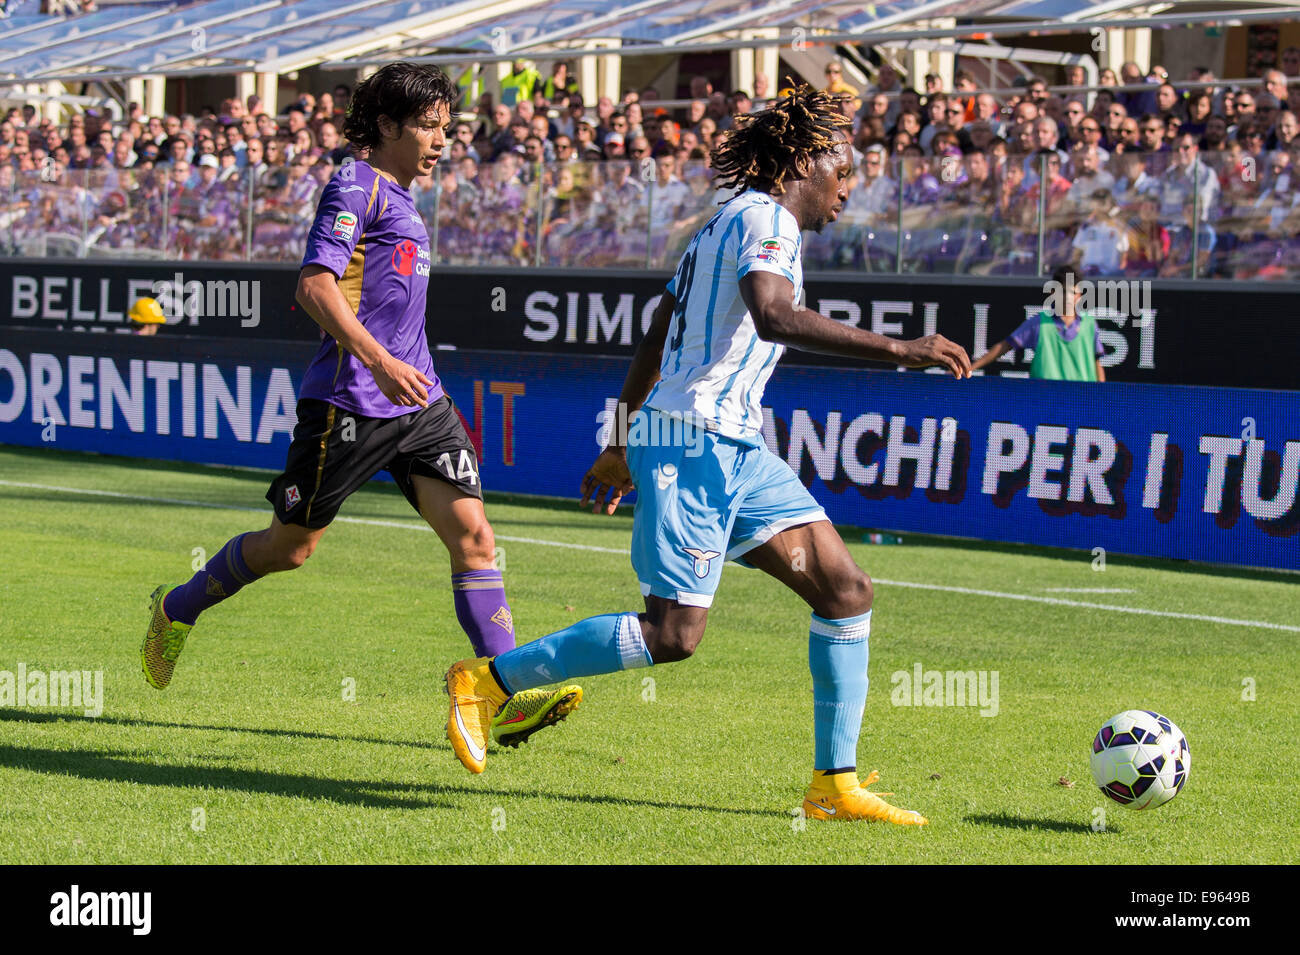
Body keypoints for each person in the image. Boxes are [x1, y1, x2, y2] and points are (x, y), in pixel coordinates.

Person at [443, 84, 971, 823]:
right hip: (695, 440)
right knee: (672, 634)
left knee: (845, 590)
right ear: (803, 160)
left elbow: (659, 332)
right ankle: (488, 680)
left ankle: (833, 784)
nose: (846, 189)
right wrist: (901, 349)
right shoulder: (768, 219)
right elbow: (773, 312)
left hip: (728, 444)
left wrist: (625, 439)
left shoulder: (721, 221)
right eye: (841, 171)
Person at [141, 62, 581, 749]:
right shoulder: (354, 184)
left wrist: (404, 368)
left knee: (475, 537)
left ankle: (500, 692)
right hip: (350, 400)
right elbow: (315, 286)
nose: (443, 140)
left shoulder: (403, 195)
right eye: (430, 127)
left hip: (421, 400)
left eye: (448, 127)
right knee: (291, 548)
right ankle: (177, 605)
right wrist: (379, 359)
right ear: (386, 125)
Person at [971, 264, 1105, 381]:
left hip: (1082, 400)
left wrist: (1101, 396)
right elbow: (1004, 346)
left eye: (1073, 292)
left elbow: (1096, 362)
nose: (1068, 297)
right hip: (1045, 399)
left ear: (1080, 294)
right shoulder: (1038, 323)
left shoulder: (1089, 324)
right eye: (1063, 291)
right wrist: (970, 368)